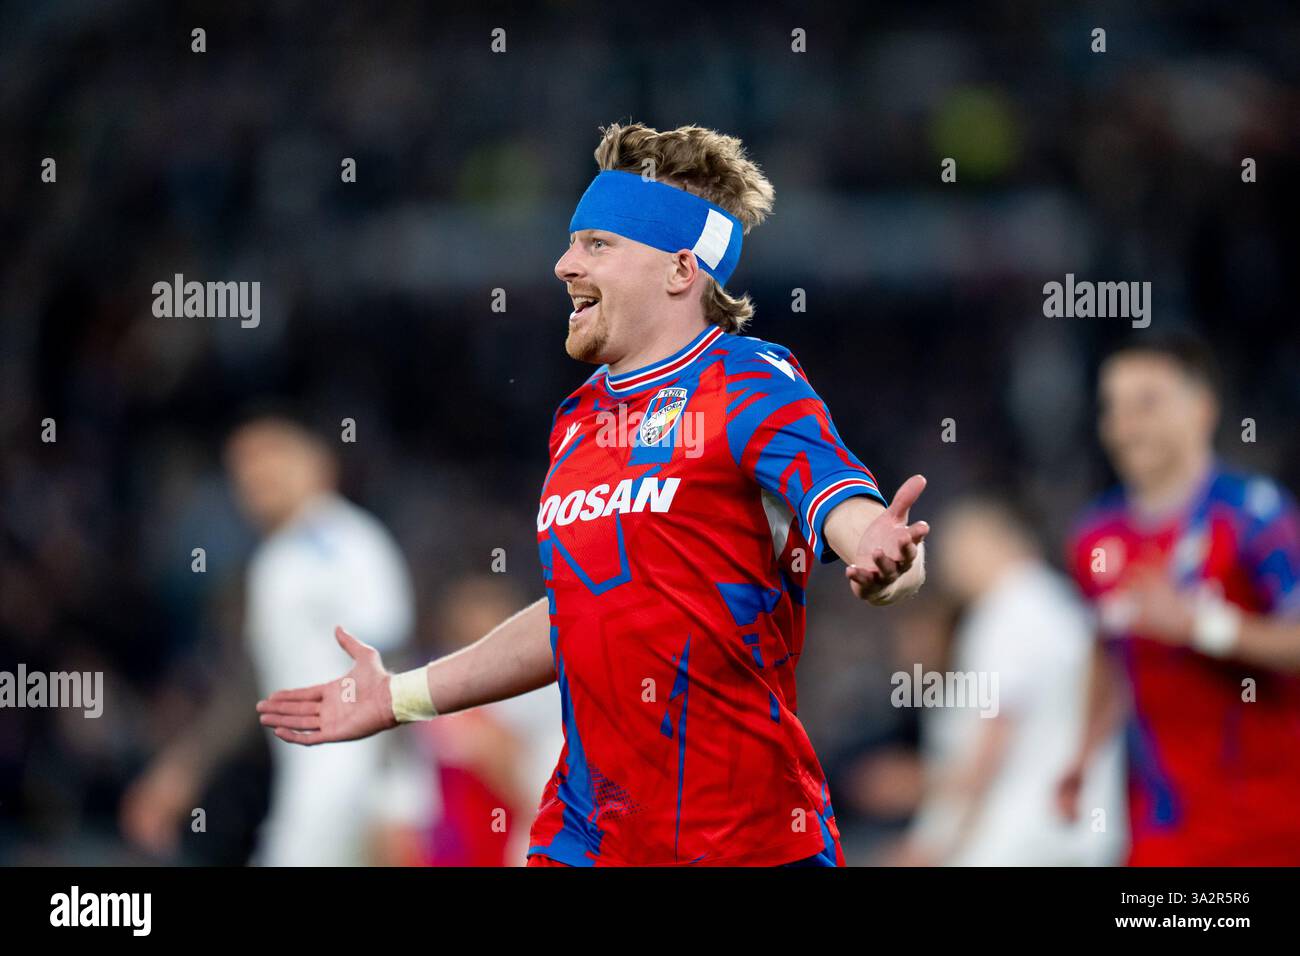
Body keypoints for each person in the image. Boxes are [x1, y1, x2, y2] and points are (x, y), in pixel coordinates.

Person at [257, 122, 929, 867]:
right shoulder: (577, 421)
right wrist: (401, 697)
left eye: (597, 245)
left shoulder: (750, 382)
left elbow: (844, 506)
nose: (562, 264)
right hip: (589, 836)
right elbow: (576, 611)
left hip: (745, 839)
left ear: (679, 271)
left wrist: (882, 553)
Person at [121, 413, 419, 865]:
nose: (256, 473)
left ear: (318, 463)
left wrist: (392, 796)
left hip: (350, 780)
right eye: (242, 464)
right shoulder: (278, 559)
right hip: (310, 780)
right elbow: (251, 687)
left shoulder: (347, 543)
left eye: (271, 455)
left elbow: (392, 663)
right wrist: (182, 771)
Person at [1060, 331, 1300, 865]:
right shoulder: (1095, 538)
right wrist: (1083, 752)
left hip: (1273, 829)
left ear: (1201, 409)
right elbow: (1110, 652)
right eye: (1113, 407)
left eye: (1147, 402)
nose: (1125, 425)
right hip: (1161, 830)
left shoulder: (1255, 517)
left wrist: (1203, 627)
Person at [890, 499, 1124, 866]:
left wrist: (936, 844)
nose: (950, 569)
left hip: (1015, 837)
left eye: (957, 550)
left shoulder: (1005, 613)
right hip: (1077, 828)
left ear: (996, 542)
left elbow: (993, 740)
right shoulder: (1064, 606)